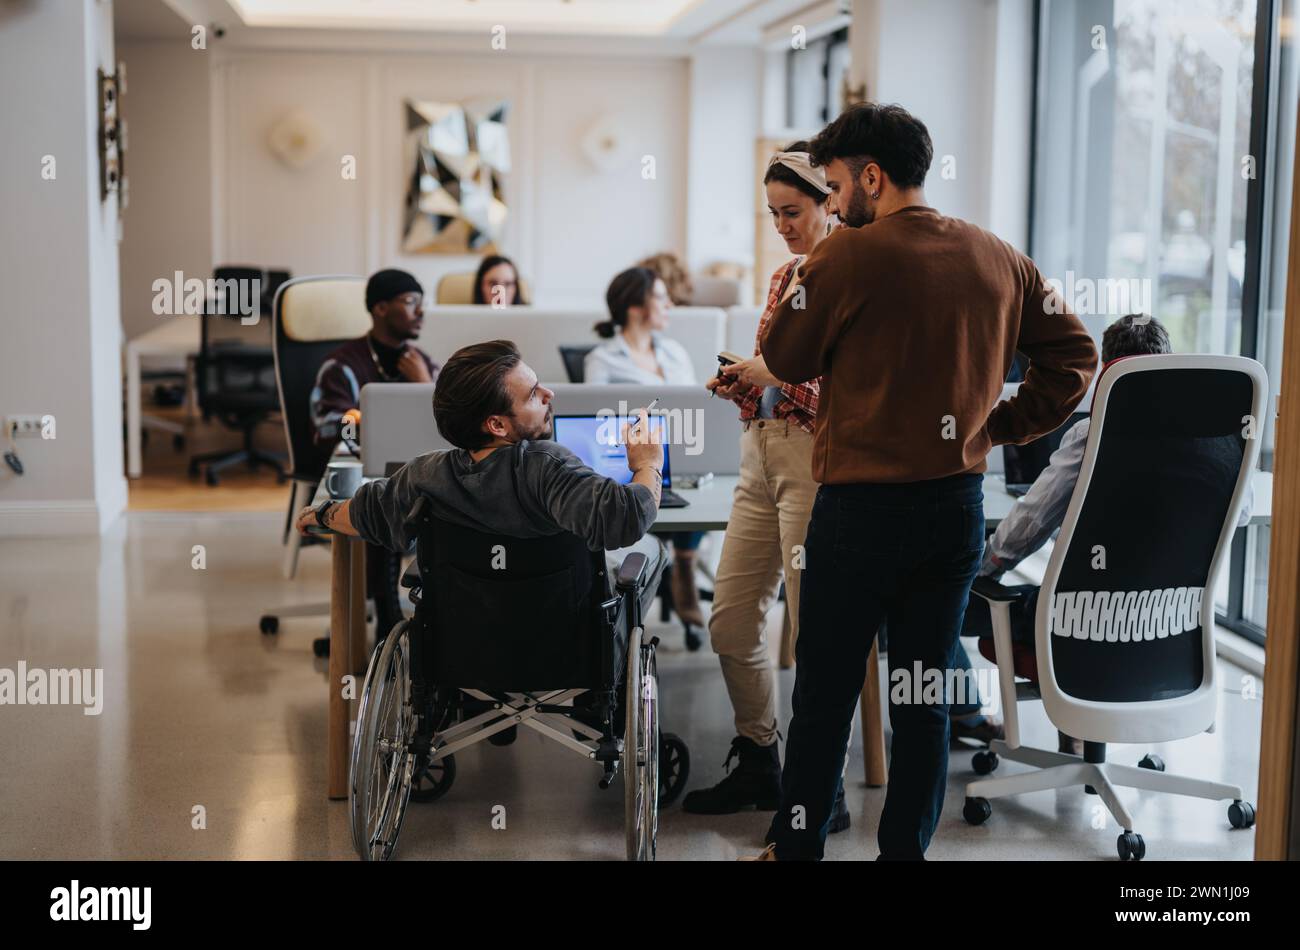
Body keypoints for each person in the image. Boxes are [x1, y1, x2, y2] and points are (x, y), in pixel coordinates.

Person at [751, 103, 1098, 861]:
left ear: (872, 176)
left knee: (825, 697)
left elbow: (781, 356)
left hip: (857, 513)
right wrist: (998, 426)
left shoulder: (845, 256)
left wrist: (821, 262)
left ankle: (797, 849)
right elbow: (1075, 357)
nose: (834, 204)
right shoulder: (999, 255)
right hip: (953, 510)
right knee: (925, 693)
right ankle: (904, 853)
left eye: (837, 186)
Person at [954, 313, 1254, 754]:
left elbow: (1027, 526)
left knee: (949, 599)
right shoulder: (1216, 443)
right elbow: (1240, 512)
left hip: (1080, 640)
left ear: (1112, 377)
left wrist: (981, 572)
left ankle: (968, 718)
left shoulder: (1092, 435)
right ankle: (1073, 741)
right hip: (1168, 635)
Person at [682, 142, 852, 823]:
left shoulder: (850, 273)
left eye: (793, 211)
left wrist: (769, 373)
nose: (783, 225)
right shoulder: (786, 277)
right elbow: (782, 369)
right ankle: (760, 759)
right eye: (773, 214)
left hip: (815, 461)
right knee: (730, 623)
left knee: (817, 634)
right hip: (760, 456)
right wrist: (744, 382)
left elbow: (836, 379)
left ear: (829, 204)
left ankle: (823, 790)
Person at [297, 339, 667, 624]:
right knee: (652, 551)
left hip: (464, 642)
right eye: (534, 394)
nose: (548, 394)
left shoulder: (425, 474)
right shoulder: (550, 467)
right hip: (561, 639)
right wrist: (647, 464)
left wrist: (323, 514)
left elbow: (367, 512)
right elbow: (628, 517)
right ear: (497, 424)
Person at [309, 269, 441, 650]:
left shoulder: (422, 362)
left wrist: (423, 386)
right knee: (384, 497)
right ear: (381, 308)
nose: (421, 312)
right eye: (411, 302)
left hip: (422, 476)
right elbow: (327, 429)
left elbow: (451, 424)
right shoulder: (342, 366)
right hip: (357, 477)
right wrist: (371, 425)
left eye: (422, 303)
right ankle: (387, 618)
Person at [586, 267, 705, 647]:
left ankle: (683, 562)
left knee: (697, 492)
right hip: (629, 468)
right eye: (660, 296)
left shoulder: (674, 352)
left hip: (683, 462)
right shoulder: (603, 359)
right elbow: (596, 424)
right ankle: (678, 569)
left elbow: (694, 411)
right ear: (636, 306)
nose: (669, 304)